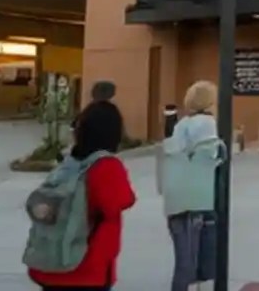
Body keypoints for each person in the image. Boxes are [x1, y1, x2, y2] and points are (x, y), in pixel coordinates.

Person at [29, 99, 136, 290]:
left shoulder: (68, 164)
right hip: (85, 268)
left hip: (50, 265)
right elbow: (121, 201)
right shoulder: (106, 166)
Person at [162, 81, 223, 291]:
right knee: (198, 267)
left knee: (183, 263)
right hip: (198, 199)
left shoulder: (181, 124)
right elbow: (209, 155)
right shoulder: (207, 124)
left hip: (176, 200)